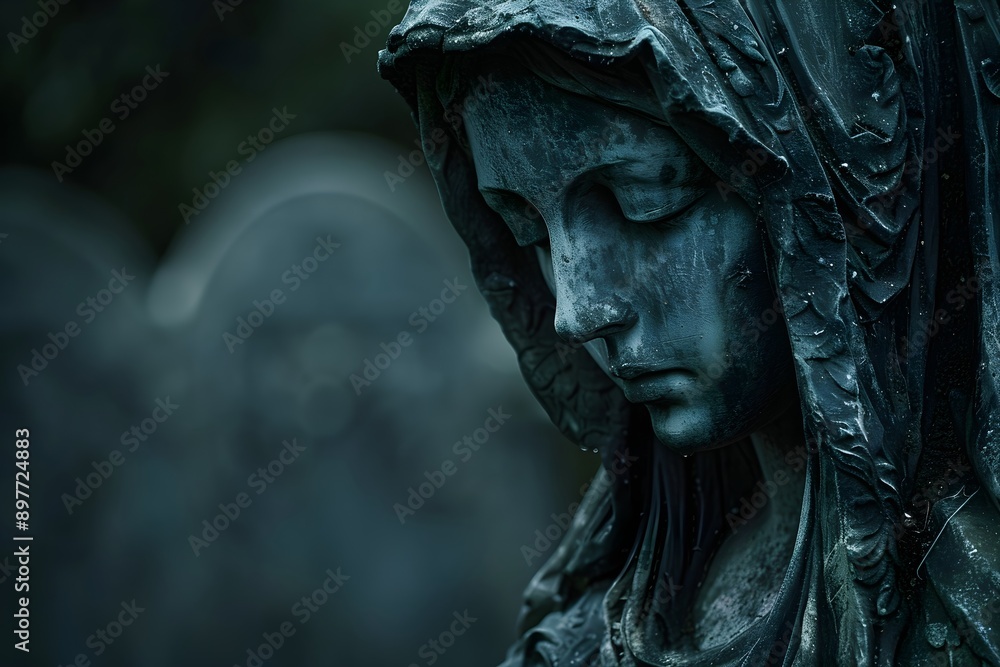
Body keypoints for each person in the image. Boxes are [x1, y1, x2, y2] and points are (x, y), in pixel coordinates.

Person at [380, 1, 1000, 664]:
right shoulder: (584, 636)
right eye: (527, 228)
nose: (577, 312)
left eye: (644, 202)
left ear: (834, 189)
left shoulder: (972, 612)